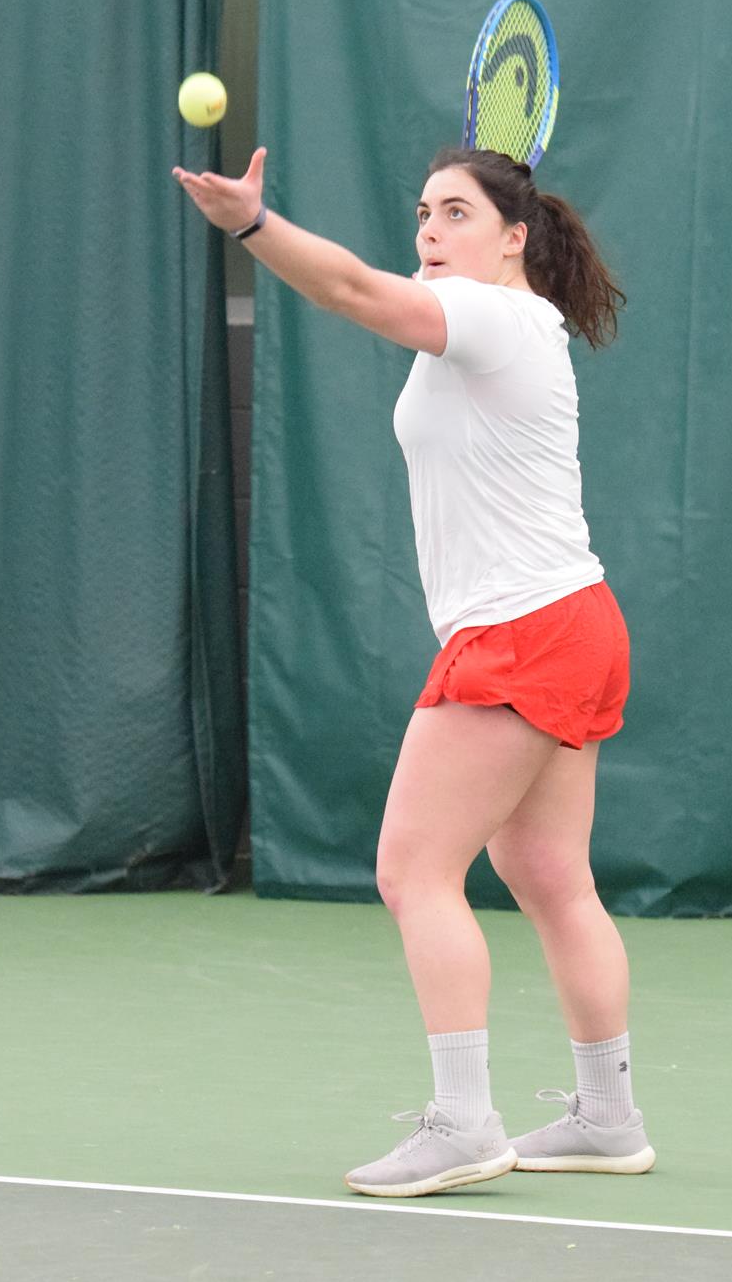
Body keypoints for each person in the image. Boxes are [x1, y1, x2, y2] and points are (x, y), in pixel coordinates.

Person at [173, 143, 652, 1198]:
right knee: (549, 876)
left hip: (522, 627)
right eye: (423, 214)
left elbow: (349, 289)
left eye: (454, 214)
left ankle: (463, 1120)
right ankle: (607, 1115)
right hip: (570, 614)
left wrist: (253, 226)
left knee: (412, 871)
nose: (429, 232)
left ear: (513, 237)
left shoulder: (492, 317)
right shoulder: (504, 328)